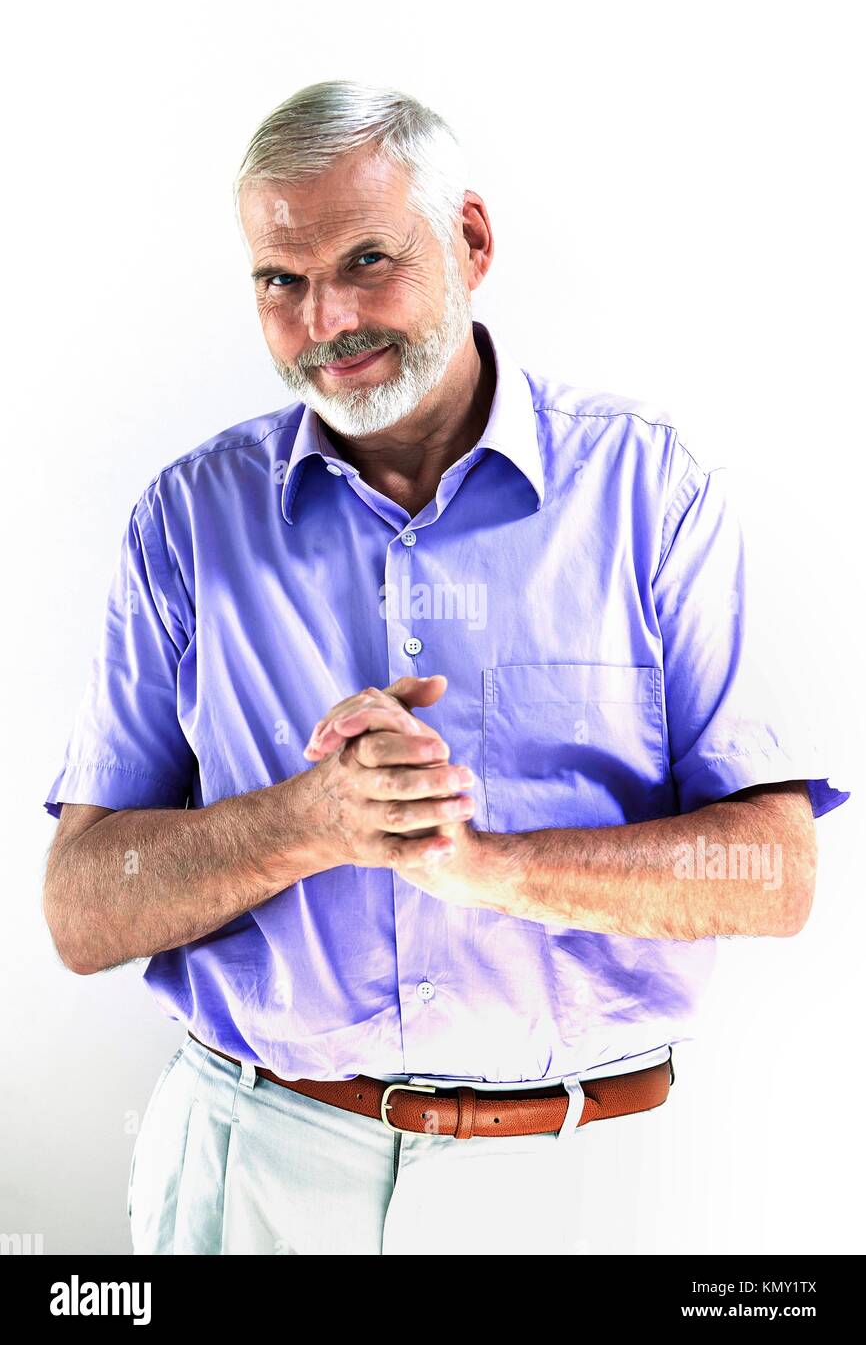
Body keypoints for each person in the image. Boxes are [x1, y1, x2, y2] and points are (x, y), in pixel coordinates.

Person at [42, 79, 850, 1256]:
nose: (325, 318)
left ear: (469, 240)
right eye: (281, 280)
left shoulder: (648, 491)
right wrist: (313, 820)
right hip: (260, 1173)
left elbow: (771, 872)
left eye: (366, 260)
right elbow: (78, 912)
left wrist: (485, 865)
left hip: (589, 1188)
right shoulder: (186, 521)